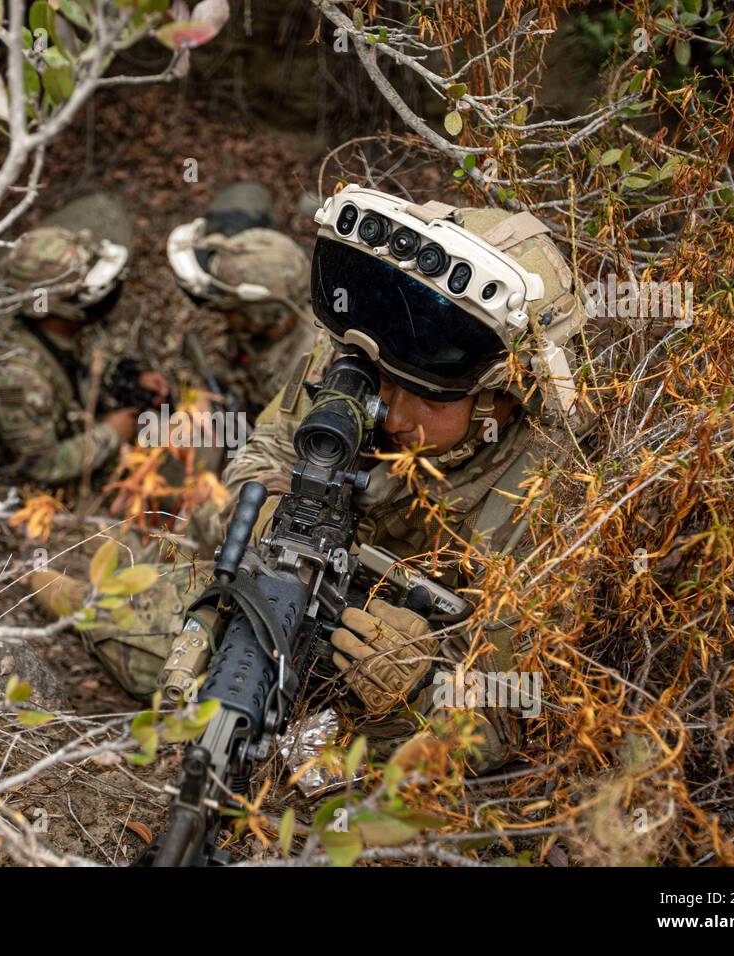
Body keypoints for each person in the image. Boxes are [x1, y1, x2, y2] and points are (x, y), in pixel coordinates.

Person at [204, 185, 589, 773]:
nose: (392, 413)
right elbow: (260, 457)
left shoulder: (547, 492)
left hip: (389, 681)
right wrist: (264, 518)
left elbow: (517, 711)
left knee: (341, 769)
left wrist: (419, 682)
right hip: (291, 609)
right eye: (383, 381)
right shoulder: (352, 360)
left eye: (430, 399)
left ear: (506, 395)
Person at [0, 193, 168, 488]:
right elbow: (40, 465)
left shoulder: (58, 331)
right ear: (57, 306)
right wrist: (110, 433)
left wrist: (132, 377)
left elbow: (78, 364)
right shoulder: (16, 378)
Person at [166, 182, 318, 418]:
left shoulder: (309, 373)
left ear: (264, 316)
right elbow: (227, 363)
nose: (224, 316)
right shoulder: (257, 332)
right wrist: (203, 393)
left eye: (231, 310)